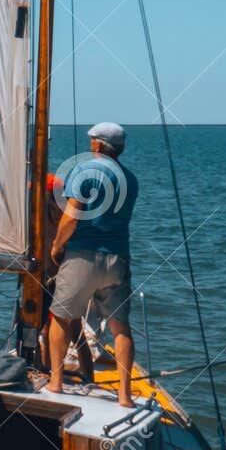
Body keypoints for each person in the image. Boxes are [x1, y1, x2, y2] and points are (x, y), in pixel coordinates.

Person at [46, 122, 138, 406]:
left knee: (61, 317)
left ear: (99, 145)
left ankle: (56, 382)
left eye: (92, 141)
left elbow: (72, 215)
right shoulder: (130, 179)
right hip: (118, 258)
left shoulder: (84, 170)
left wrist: (57, 246)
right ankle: (124, 396)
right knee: (121, 328)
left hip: (84, 255)